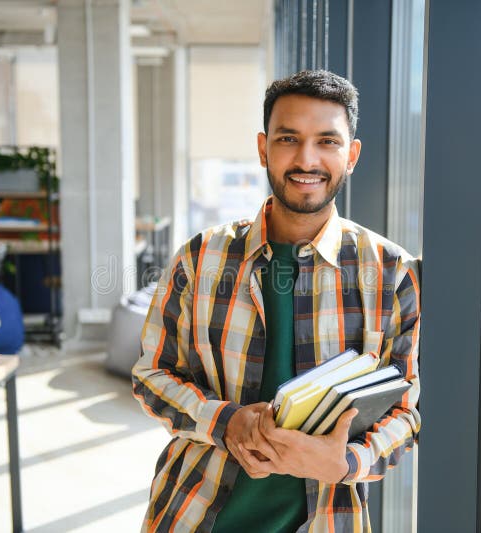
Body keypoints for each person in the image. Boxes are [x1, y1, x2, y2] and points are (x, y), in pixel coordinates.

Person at [131, 70, 421, 532]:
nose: (307, 159)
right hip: (193, 511)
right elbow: (151, 374)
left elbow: (406, 412)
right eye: (289, 139)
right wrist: (225, 421)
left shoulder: (392, 273)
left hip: (326, 518)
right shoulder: (199, 257)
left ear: (352, 155)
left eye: (327, 141)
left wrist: (346, 462)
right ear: (264, 148)